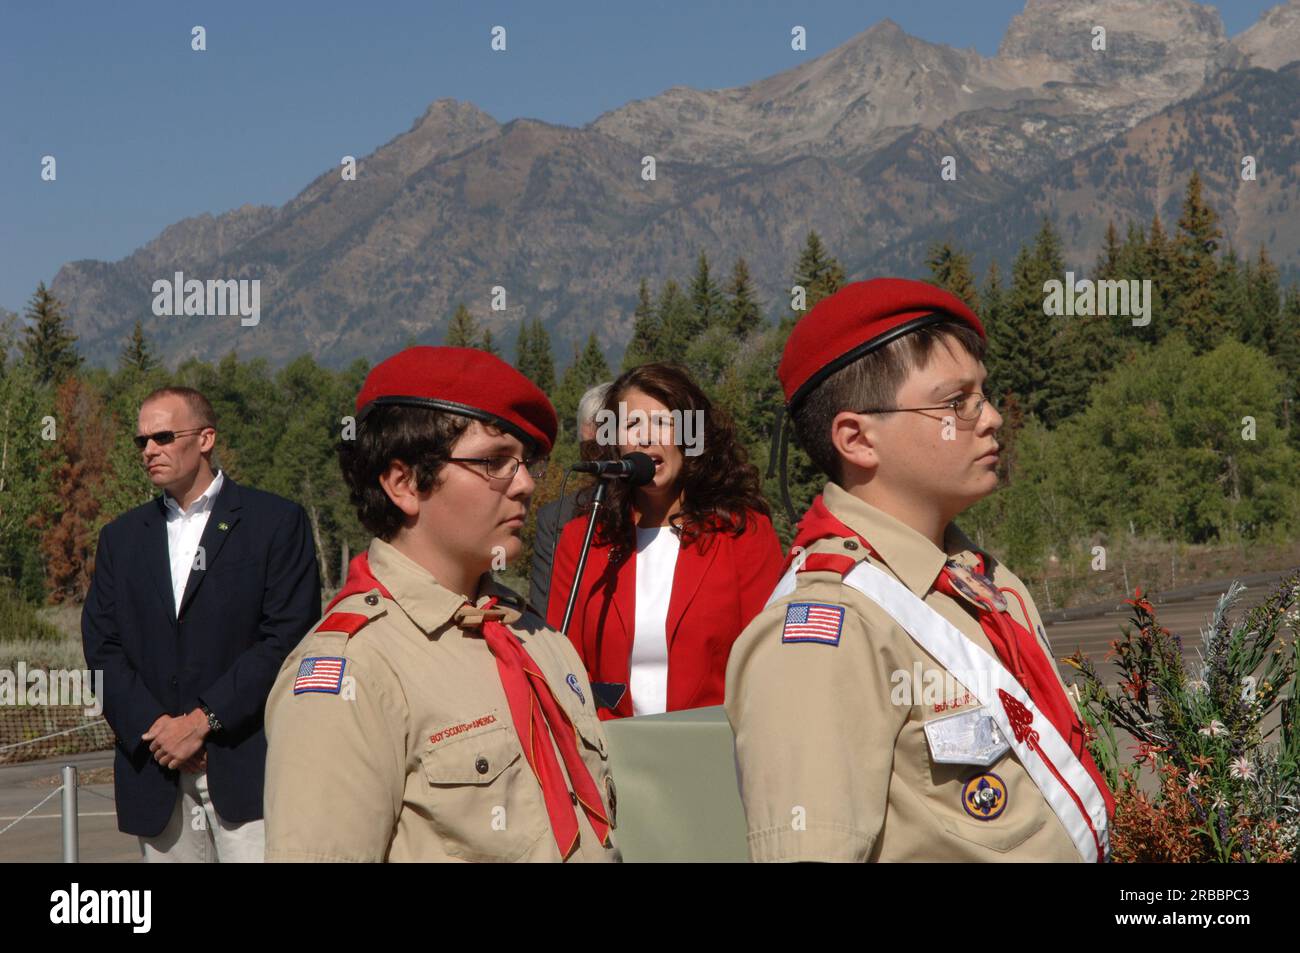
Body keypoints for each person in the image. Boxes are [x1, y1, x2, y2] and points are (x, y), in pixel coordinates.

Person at [725, 278, 1115, 862]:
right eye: (956, 403)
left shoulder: (986, 581)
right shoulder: (824, 633)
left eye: (983, 394)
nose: (990, 419)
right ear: (857, 439)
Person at [263, 346, 620, 863]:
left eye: (525, 464)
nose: (523, 485)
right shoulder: (353, 672)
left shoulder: (539, 642)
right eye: (494, 461)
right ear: (403, 483)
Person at [81, 386, 321, 862]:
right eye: (142, 440)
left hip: (247, 767)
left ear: (206, 438)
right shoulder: (120, 538)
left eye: (164, 436)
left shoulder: (276, 522)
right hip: (156, 770)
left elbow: (287, 640)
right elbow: (102, 647)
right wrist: (159, 730)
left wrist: (202, 722)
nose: (150, 450)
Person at [547, 362, 783, 720]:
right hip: (612, 757)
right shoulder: (582, 539)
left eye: (662, 422)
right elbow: (564, 666)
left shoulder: (742, 533)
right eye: (631, 425)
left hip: (714, 754)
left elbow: (770, 664)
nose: (645, 438)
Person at [529, 381, 610, 614]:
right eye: (591, 450)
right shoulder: (555, 519)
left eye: (607, 449)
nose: (599, 463)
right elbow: (544, 616)